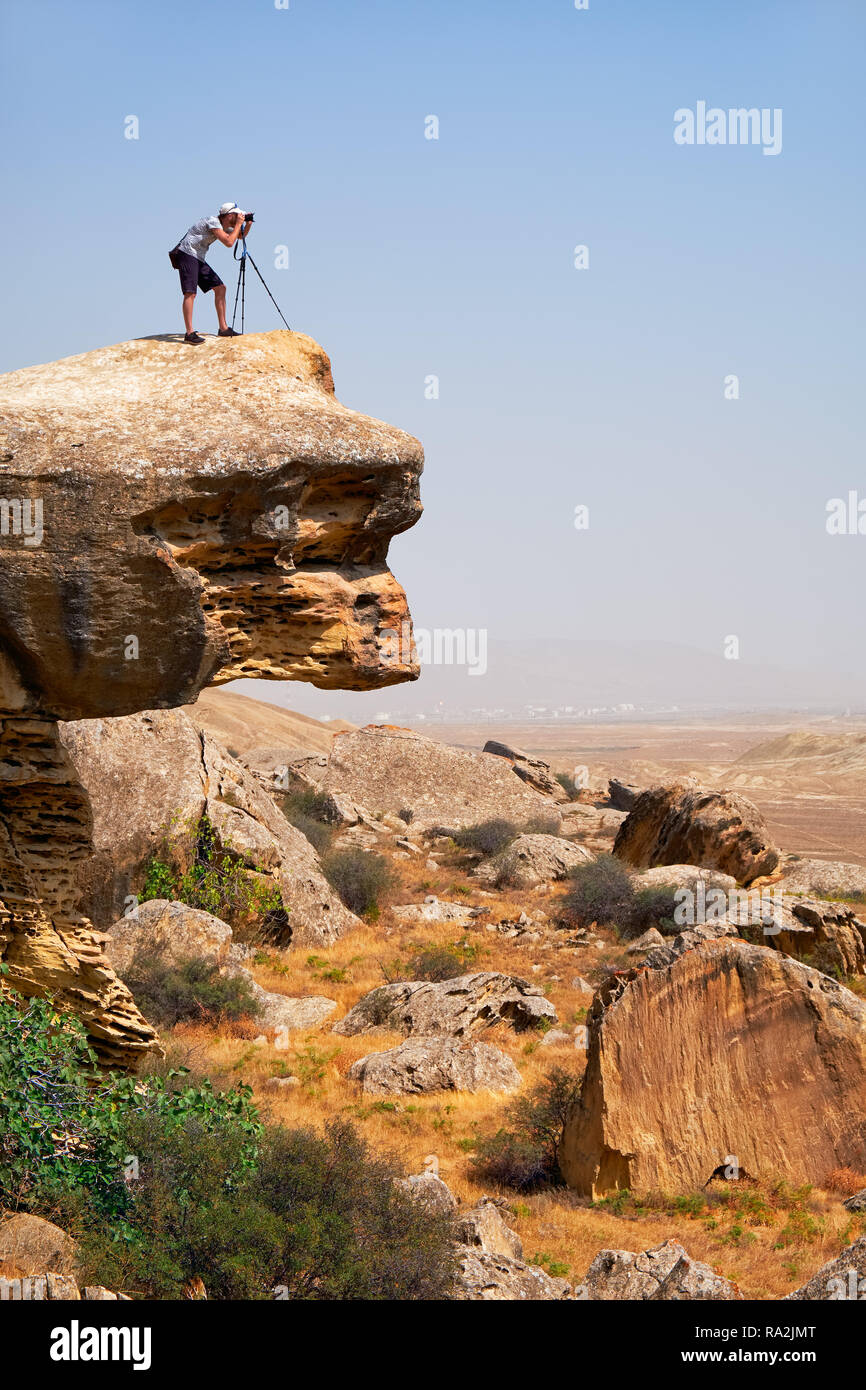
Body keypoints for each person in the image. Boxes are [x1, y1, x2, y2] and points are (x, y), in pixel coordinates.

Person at [169, 202, 253, 344]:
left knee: (221, 288)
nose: (238, 217)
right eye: (236, 215)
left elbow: (238, 236)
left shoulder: (224, 225)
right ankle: (189, 333)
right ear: (230, 215)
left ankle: (223, 329)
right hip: (187, 253)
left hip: (198, 257)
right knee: (190, 292)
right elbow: (229, 242)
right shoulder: (213, 222)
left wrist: (248, 223)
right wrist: (239, 224)